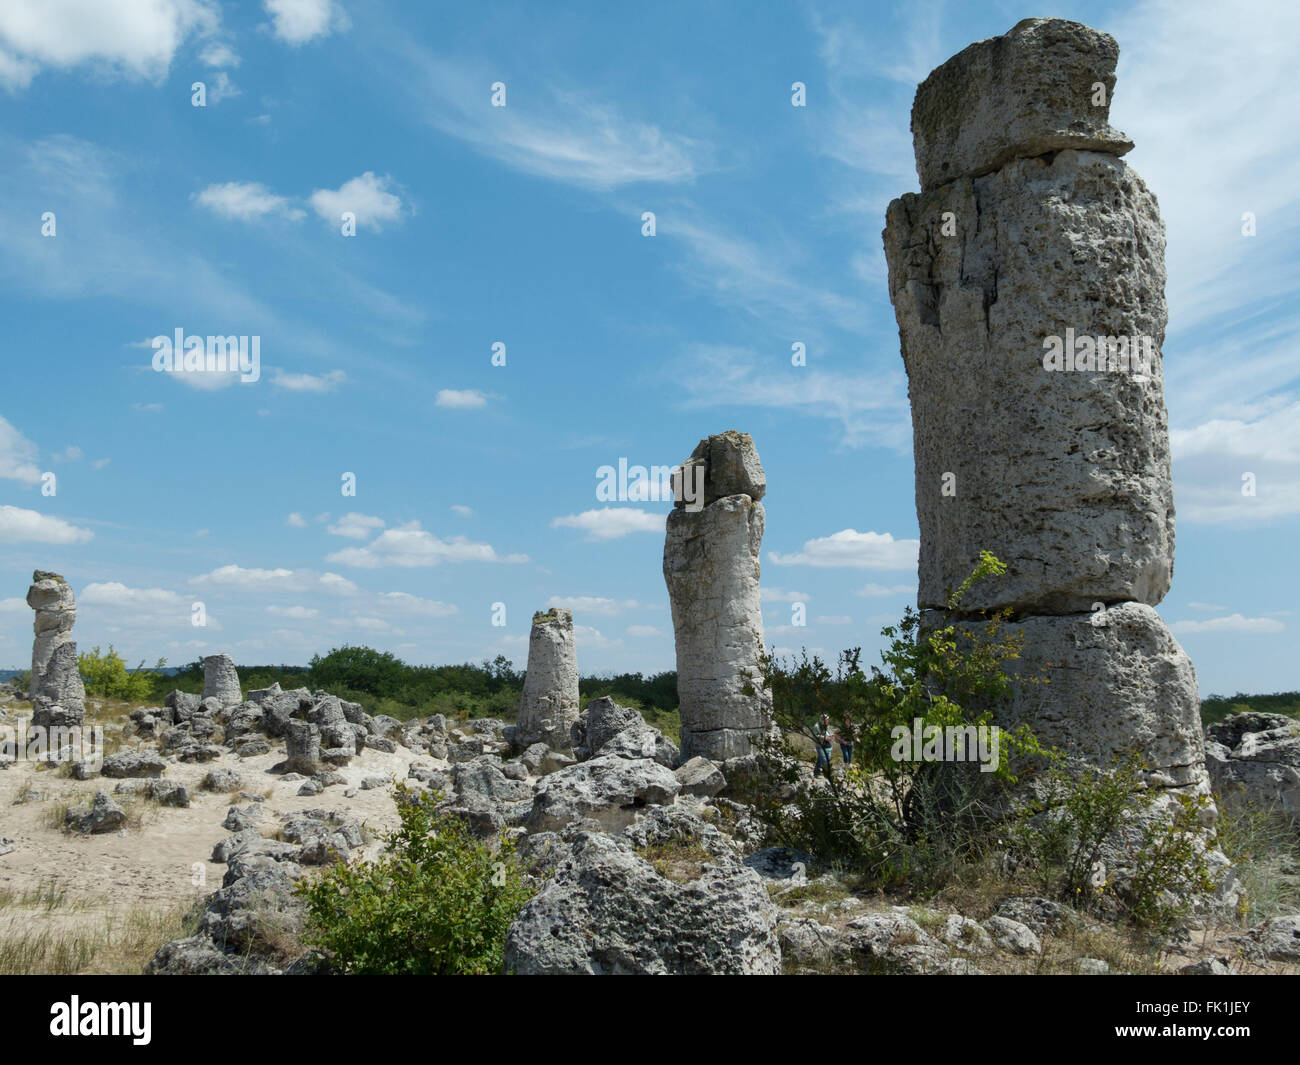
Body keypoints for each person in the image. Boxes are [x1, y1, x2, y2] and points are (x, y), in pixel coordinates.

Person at [813, 713, 833, 779]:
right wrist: (824, 737)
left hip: (827, 745)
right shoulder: (816, 726)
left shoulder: (827, 726)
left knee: (824, 758)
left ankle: (816, 771)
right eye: (826, 720)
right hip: (819, 745)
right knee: (824, 760)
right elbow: (815, 736)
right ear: (822, 720)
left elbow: (829, 733)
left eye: (828, 720)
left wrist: (830, 736)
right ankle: (826, 774)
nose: (827, 721)